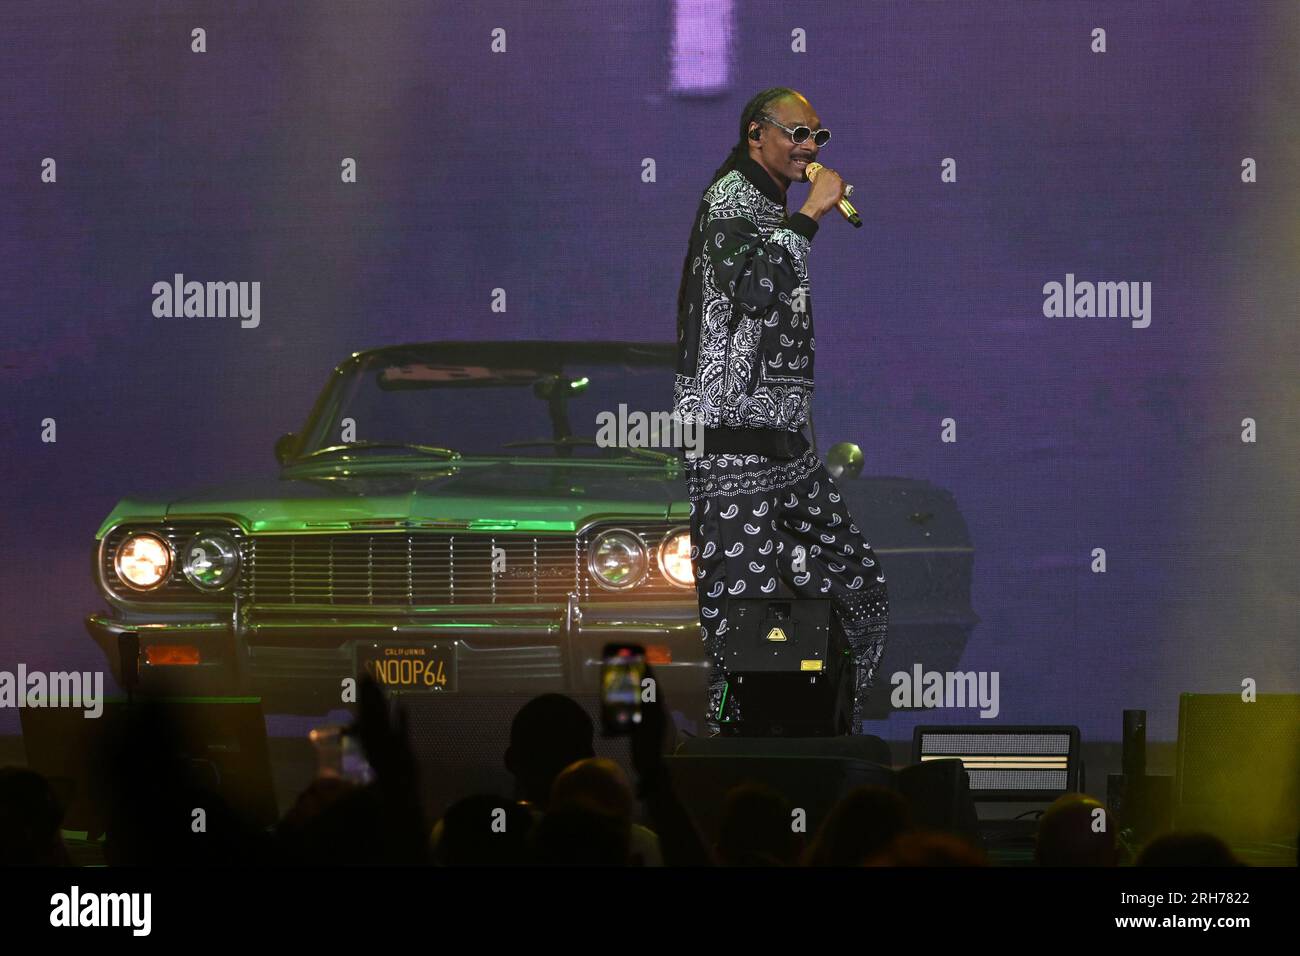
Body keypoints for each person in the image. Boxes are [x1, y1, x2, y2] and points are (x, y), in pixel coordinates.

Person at [673, 87, 889, 734]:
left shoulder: (766, 204)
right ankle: (733, 749)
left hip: (780, 440)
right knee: (738, 612)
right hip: (731, 436)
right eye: (796, 134)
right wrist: (811, 216)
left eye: (818, 137)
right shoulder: (731, 202)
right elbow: (755, 290)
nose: (809, 148)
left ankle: (828, 723)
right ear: (755, 135)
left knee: (856, 577)